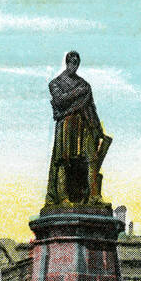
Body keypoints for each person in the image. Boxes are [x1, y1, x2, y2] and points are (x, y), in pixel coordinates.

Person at [47, 50, 109, 207]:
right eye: (71, 62)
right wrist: (78, 93)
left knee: (91, 159)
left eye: (76, 63)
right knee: (63, 160)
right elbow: (59, 100)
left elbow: (91, 106)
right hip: (66, 124)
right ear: (67, 62)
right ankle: (62, 197)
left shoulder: (84, 84)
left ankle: (94, 196)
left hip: (85, 124)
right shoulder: (55, 83)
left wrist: (98, 130)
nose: (74, 66)